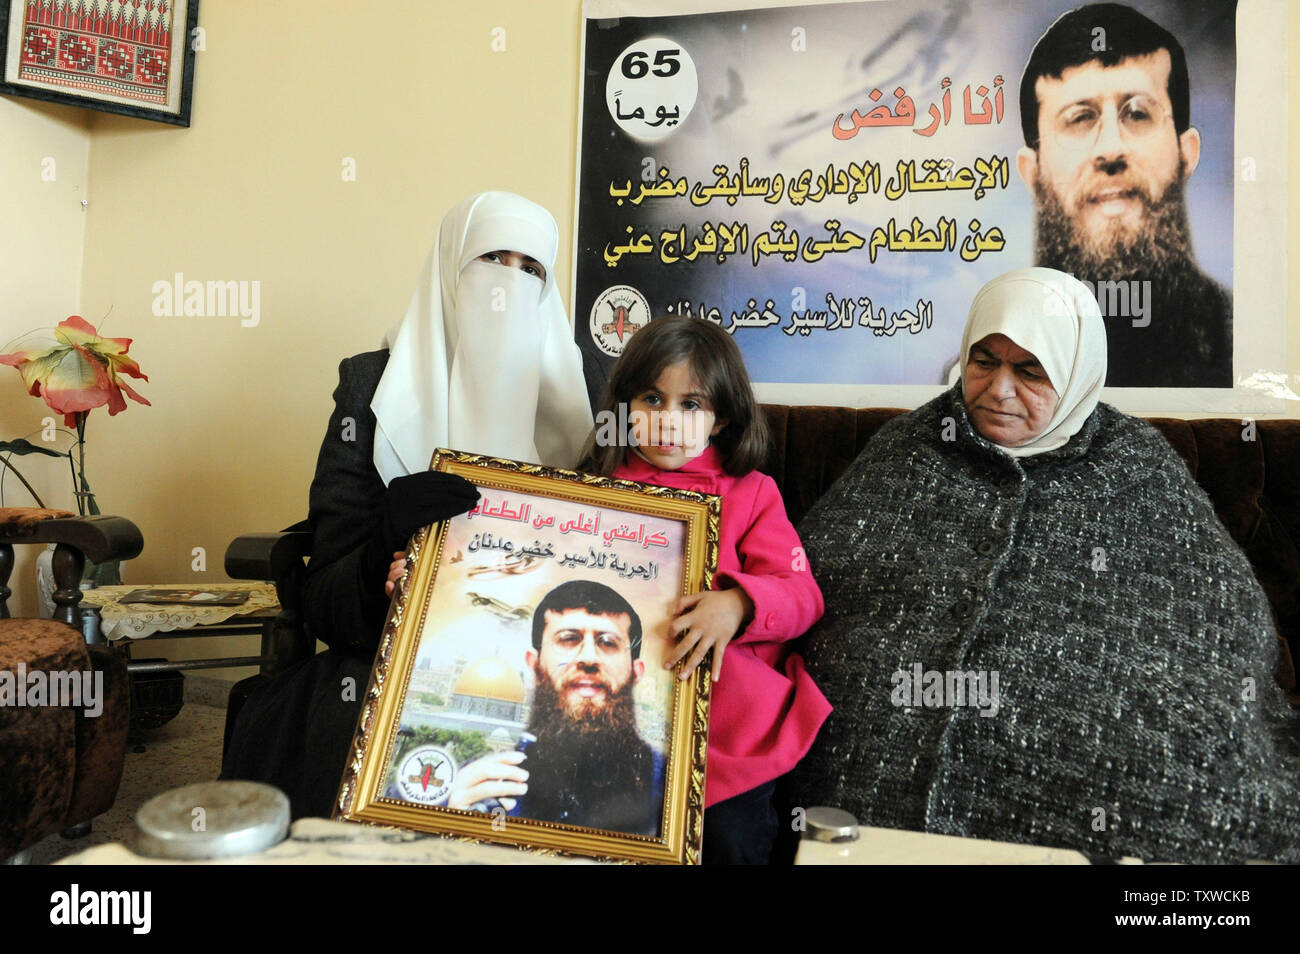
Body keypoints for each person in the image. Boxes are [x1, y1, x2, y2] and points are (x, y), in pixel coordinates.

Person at [794, 267, 1300, 863]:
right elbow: (805, 573)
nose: (998, 389)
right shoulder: (912, 445)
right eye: (984, 362)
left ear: (1076, 369)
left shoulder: (1135, 466)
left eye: (1030, 371)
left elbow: (1218, 624)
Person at [222, 192, 595, 819]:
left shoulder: (586, 405)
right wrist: (383, 547)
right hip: (387, 653)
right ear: (449, 268)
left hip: (542, 658)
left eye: (530, 269)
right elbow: (323, 599)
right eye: (491, 260)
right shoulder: (373, 388)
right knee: (348, 726)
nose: (508, 286)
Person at [576, 315, 831, 865]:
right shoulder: (593, 486)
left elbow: (803, 595)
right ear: (623, 408)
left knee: (730, 843)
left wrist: (739, 604)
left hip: (726, 732)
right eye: (651, 399)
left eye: (691, 405)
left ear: (721, 418)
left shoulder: (753, 492)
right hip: (622, 721)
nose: (669, 421)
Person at [1016, 3, 1231, 388]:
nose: (1111, 150)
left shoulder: (1242, 348)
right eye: (1080, 118)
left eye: (1138, 114)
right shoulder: (986, 374)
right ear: (1032, 173)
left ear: (1187, 154)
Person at [442, 580, 664, 835]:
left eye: (608, 642)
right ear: (535, 666)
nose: (588, 658)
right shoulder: (481, 783)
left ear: (636, 673)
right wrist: (450, 827)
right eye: (569, 639)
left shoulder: (671, 789)